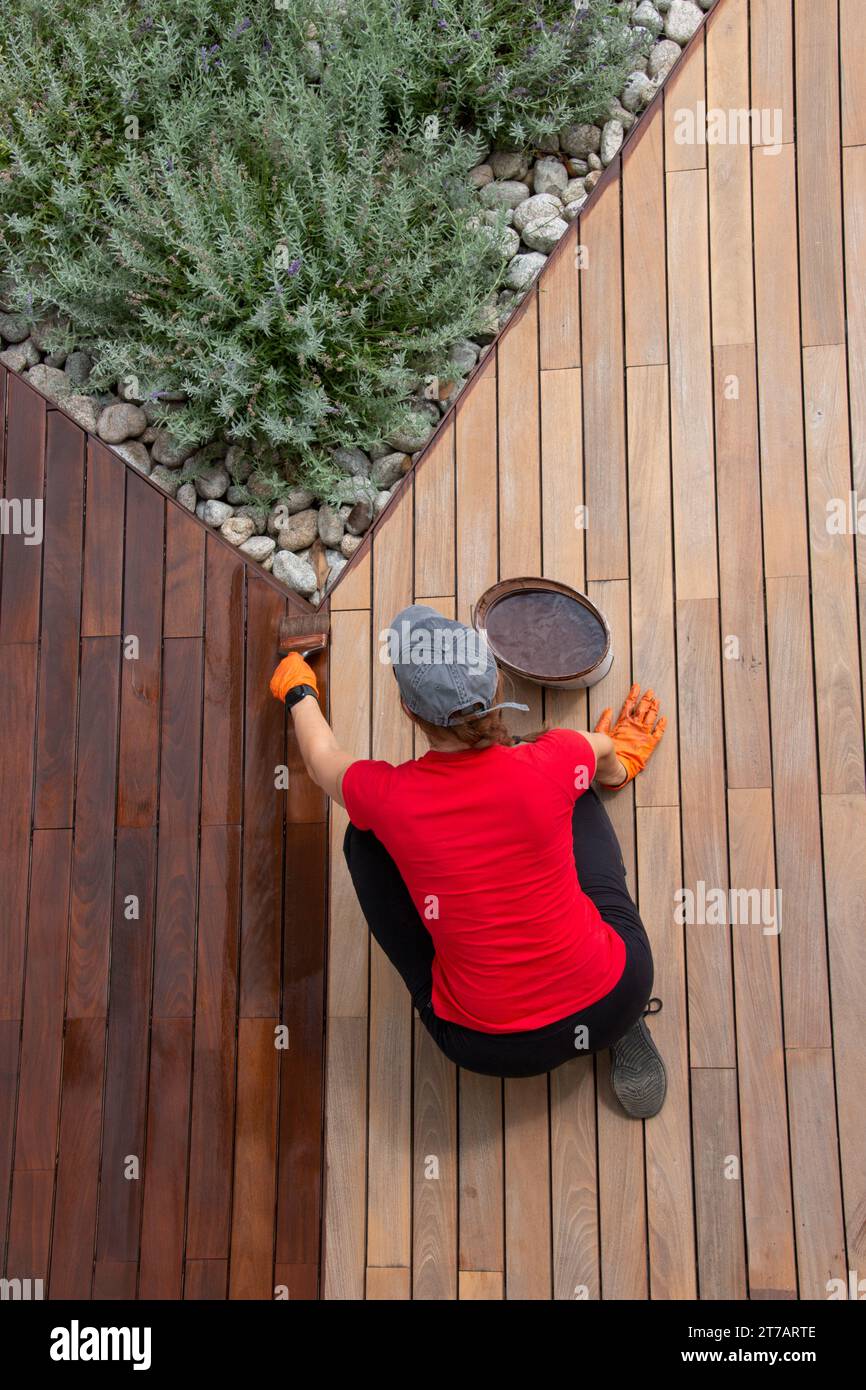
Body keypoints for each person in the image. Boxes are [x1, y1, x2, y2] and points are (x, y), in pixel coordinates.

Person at [270, 603, 668, 1116]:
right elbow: (607, 761)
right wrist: (622, 761)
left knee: (364, 842)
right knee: (579, 790)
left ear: (408, 711)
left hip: (488, 1046)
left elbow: (322, 760)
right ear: (498, 689)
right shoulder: (558, 755)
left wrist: (298, 689)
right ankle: (617, 1027)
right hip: (616, 996)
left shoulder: (386, 795)